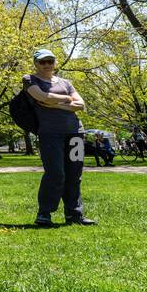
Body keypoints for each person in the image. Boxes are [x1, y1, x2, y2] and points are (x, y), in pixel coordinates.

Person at [22, 49, 95, 227]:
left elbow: (81, 105)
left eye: (50, 61)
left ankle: (74, 214)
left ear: (55, 63)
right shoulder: (29, 79)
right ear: (36, 64)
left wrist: (56, 103)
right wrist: (67, 100)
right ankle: (44, 214)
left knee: (75, 174)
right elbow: (41, 96)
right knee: (55, 173)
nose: (47, 65)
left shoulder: (66, 82)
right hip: (50, 134)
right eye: (42, 62)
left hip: (76, 133)